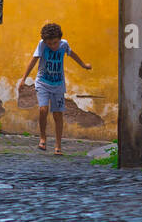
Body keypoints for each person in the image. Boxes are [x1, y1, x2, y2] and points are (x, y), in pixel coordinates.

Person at [18, 22, 90, 154]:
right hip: (43, 82)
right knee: (43, 109)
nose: (52, 46)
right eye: (49, 44)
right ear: (45, 42)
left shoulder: (64, 44)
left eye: (55, 43)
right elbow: (33, 61)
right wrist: (23, 79)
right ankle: (42, 137)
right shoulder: (42, 45)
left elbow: (73, 54)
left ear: (60, 39)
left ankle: (58, 146)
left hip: (58, 85)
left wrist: (83, 65)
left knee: (57, 115)